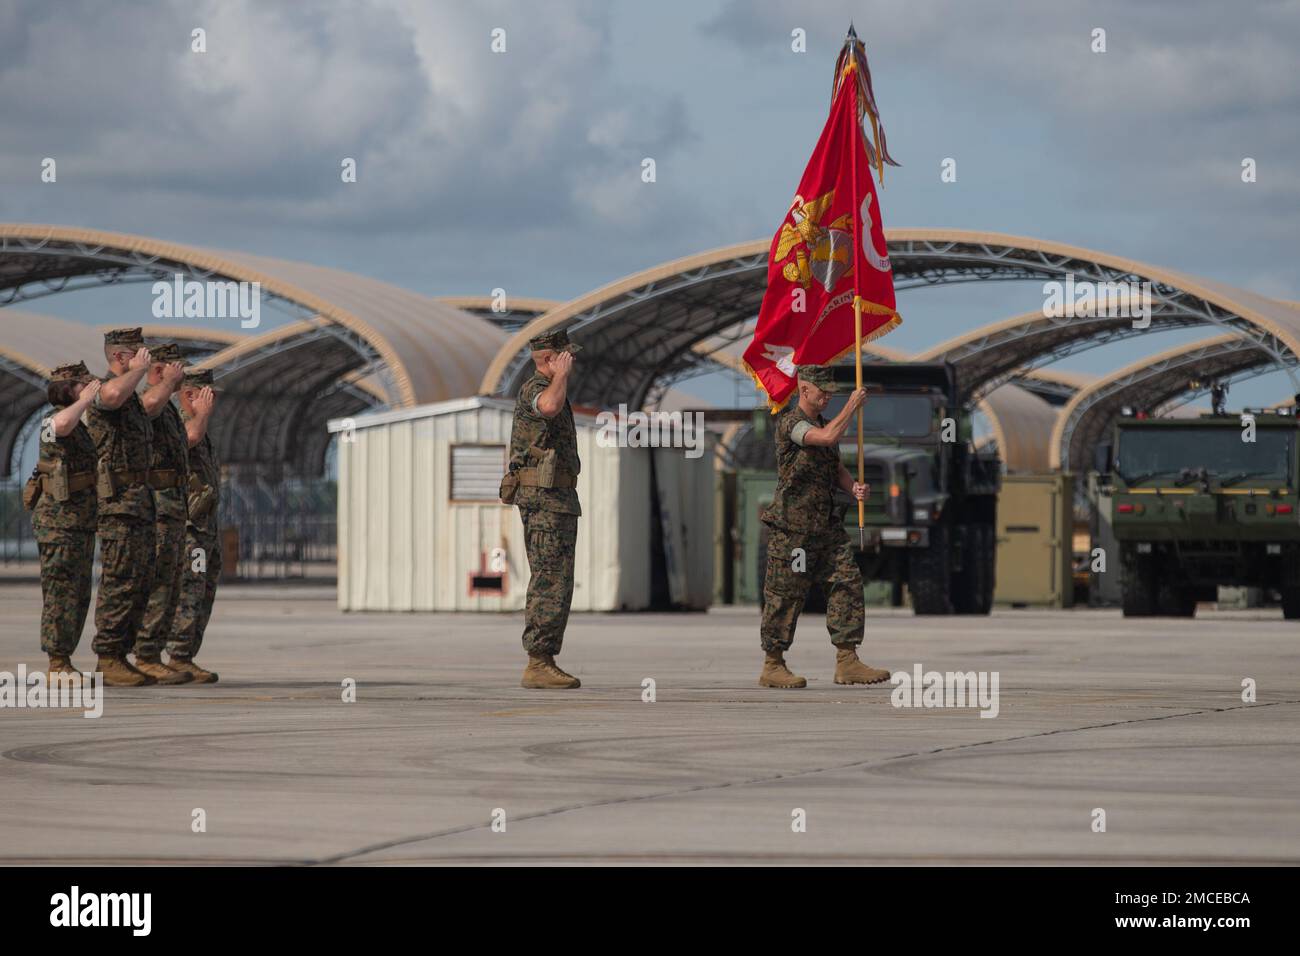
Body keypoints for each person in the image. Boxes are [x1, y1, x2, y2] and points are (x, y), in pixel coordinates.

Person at [758, 365, 892, 689]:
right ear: (804, 390)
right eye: (823, 391)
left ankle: (847, 660)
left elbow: (834, 465)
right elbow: (827, 437)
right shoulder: (791, 423)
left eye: (832, 391)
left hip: (826, 526)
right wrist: (852, 406)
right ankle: (773, 664)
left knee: (847, 581)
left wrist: (853, 488)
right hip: (794, 529)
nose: (828, 396)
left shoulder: (822, 423)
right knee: (786, 594)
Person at [502, 329, 583, 689]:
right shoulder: (536, 390)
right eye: (566, 356)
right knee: (549, 579)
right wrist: (561, 375)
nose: (572, 362)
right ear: (550, 360)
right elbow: (547, 408)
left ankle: (544, 658)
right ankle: (538, 661)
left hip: (558, 500)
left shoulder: (554, 389)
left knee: (559, 580)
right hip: (543, 501)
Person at [84, 328, 158, 687]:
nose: (146, 359)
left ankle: (122, 655)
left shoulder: (130, 396)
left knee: (139, 581)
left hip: (138, 503)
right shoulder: (105, 388)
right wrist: (139, 371)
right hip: (117, 505)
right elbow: (110, 396)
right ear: (119, 357)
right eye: (138, 354)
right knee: (120, 580)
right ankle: (108, 655)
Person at [27, 362, 101, 679]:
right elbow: (60, 426)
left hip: (78, 523)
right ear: (69, 389)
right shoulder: (51, 421)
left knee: (78, 592)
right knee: (61, 593)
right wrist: (85, 401)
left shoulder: (79, 425)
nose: (90, 388)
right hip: (58, 524)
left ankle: (65, 658)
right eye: (83, 384)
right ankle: (57, 662)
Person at [132, 343, 193, 684]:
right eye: (174, 369)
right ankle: (144, 654)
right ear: (159, 371)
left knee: (169, 585)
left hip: (172, 510)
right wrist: (166, 383)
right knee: (156, 585)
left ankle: (152, 654)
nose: (180, 375)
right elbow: (149, 405)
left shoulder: (168, 408)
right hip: (157, 508)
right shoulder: (149, 401)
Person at [167, 368, 221, 683]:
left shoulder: (201, 428)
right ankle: (178, 655)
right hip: (191, 531)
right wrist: (200, 415)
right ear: (191, 395)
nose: (212, 401)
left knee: (203, 590)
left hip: (206, 528)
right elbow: (190, 439)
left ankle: (186, 655)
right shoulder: (180, 424)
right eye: (207, 394)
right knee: (190, 590)